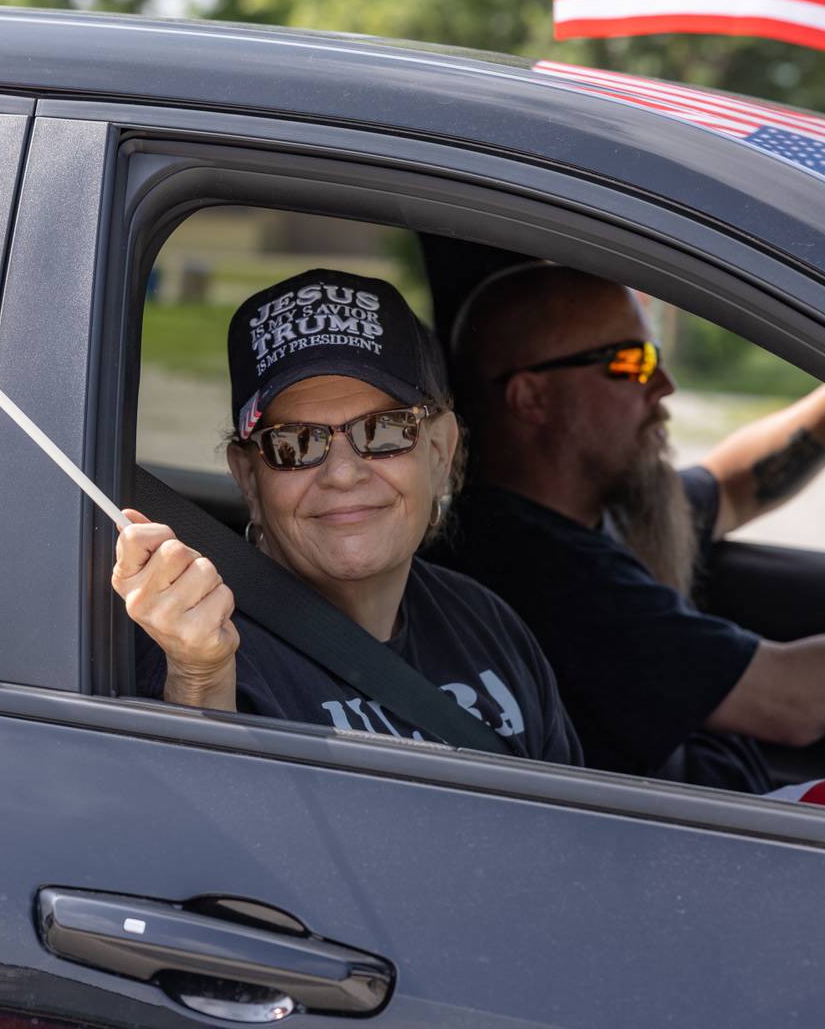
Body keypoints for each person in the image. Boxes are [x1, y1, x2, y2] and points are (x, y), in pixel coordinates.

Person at [437, 264, 825, 792]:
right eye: (631, 362)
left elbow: (738, 484)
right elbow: (796, 701)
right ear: (531, 398)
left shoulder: (608, 508)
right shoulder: (535, 566)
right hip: (689, 850)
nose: (664, 385)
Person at [113, 268, 581, 763]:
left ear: (439, 453)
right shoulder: (196, 645)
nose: (341, 474)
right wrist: (200, 681)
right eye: (295, 443)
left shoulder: (491, 628)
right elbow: (194, 807)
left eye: (384, 430)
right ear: (249, 477)